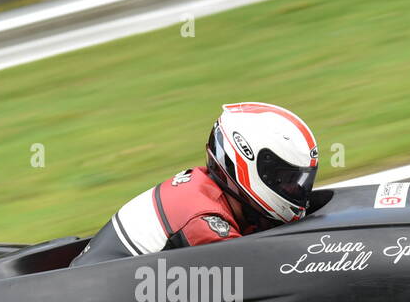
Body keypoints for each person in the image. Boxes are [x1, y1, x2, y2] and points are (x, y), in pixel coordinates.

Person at [70, 102, 319, 264]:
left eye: (298, 181)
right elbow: (254, 275)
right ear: (245, 163)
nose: (295, 190)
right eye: (285, 179)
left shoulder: (207, 188)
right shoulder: (203, 221)